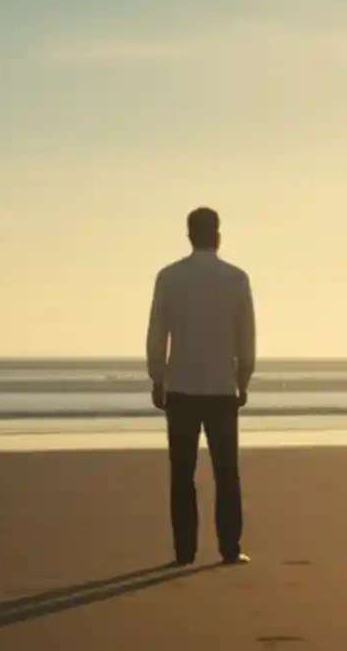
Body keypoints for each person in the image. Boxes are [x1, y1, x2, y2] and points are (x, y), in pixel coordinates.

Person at [147, 207, 256, 567]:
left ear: (190, 235)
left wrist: (157, 376)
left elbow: (157, 331)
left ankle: (184, 552)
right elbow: (246, 335)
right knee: (227, 472)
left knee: (182, 472)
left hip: (181, 385)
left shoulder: (169, 277)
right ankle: (229, 547)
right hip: (221, 387)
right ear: (218, 235)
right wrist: (244, 377)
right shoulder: (236, 278)